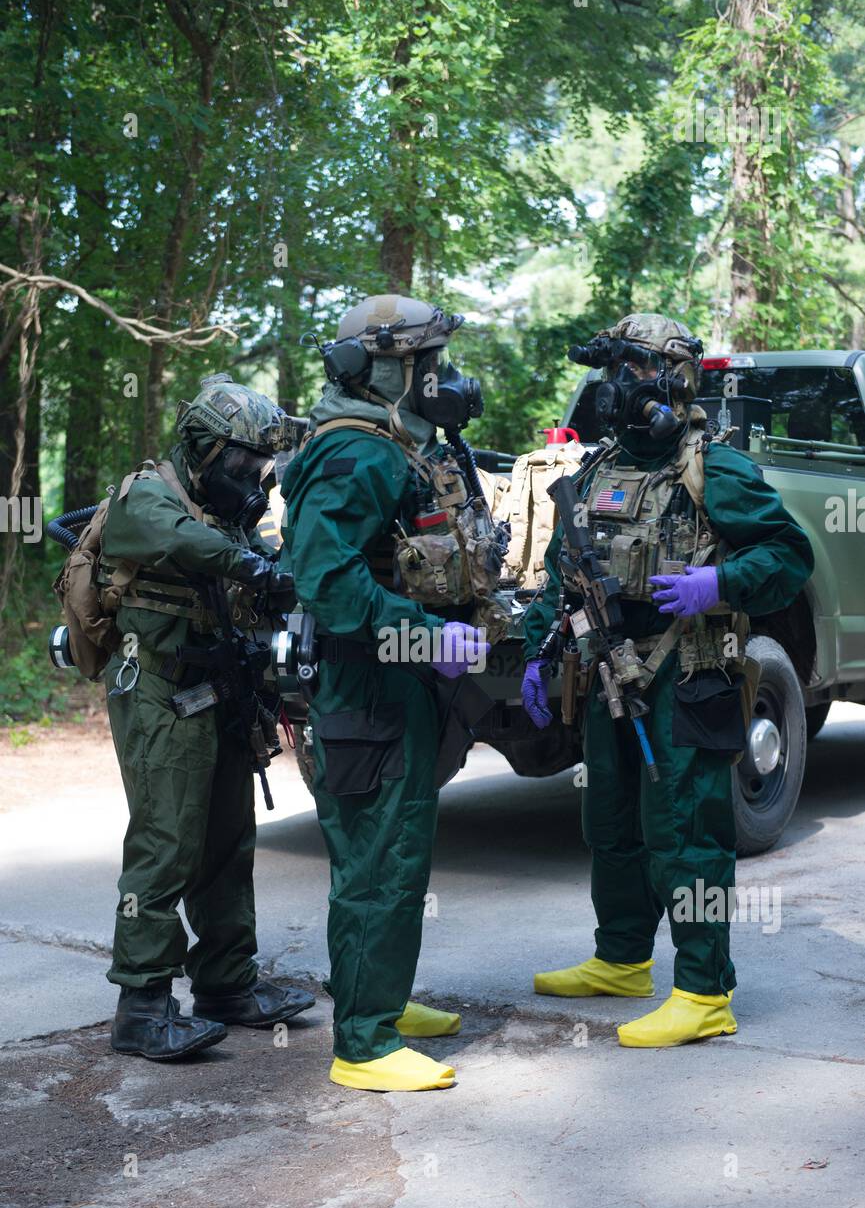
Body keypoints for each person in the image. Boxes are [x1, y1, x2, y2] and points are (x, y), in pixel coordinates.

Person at [522, 314, 814, 1047]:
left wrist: (718, 582)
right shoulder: (593, 471)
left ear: (674, 377)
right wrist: (534, 651)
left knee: (684, 834)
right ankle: (621, 959)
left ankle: (703, 991)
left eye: (633, 369)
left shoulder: (715, 469)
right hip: (606, 679)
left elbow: (788, 556)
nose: (617, 387)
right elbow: (562, 578)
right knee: (611, 825)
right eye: (611, 372)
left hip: (687, 677)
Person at [280, 294, 498, 1092]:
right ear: (382, 369)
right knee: (378, 856)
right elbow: (330, 586)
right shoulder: (355, 455)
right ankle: (363, 1044)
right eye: (425, 364)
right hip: (366, 683)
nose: (438, 378)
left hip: (393, 682)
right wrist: (425, 634)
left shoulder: (390, 446)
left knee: (395, 850)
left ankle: (383, 1004)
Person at [102, 373, 315, 1060]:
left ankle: (226, 982)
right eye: (241, 462)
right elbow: (181, 545)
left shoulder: (230, 517)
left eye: (261, 466)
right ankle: (141, 1005)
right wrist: (259, 570)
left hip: (219, 693)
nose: (253, 476)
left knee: (227, 842)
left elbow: (244, 564)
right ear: (202, 447)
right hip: (159, 692)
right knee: (166, 842)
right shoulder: (147, 496)